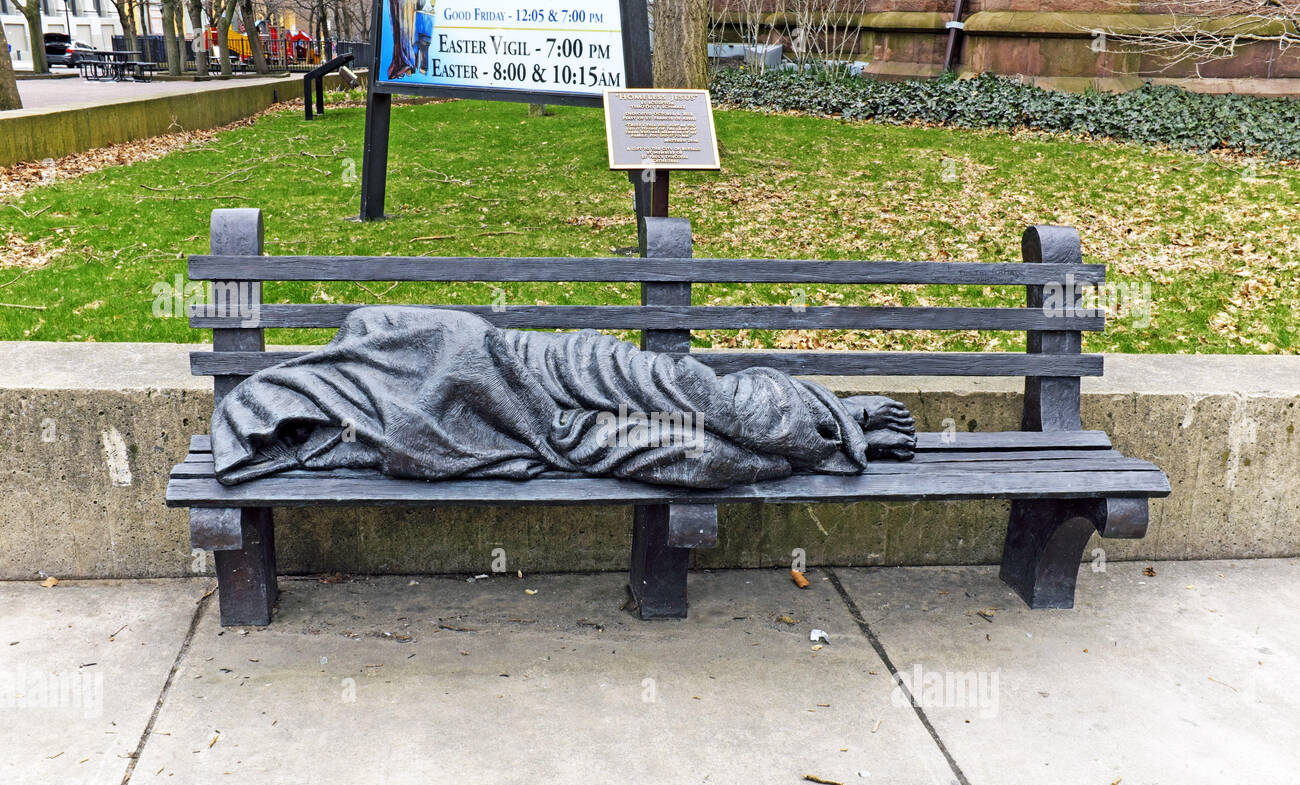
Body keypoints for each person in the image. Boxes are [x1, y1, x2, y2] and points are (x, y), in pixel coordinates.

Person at [211, 308, 916, 489]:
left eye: (280, 431)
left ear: (285, 396)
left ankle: (836, 414)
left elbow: (460, 345)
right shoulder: (345, 448)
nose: (291, 443)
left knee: (700, 395)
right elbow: (429, 451)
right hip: (547, 436)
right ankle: (826, 449)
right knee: (697, 458)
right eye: (281, 445)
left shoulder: (365, 338)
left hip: (552, 366)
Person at [416, 0, 434, 75]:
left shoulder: (424, 4)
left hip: (423, 33)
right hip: (426, 34)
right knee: (424, 51)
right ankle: (423, 70)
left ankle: (423, 69)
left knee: (423, 50)